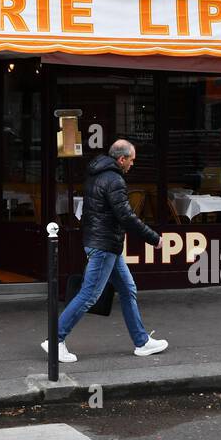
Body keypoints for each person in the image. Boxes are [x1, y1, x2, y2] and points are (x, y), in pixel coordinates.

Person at [41, 139, 170, 363]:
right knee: (89, 294)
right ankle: (55, 339)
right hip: (104, 246)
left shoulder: (96, 173)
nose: (132, 164)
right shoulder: (114, 180)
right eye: (131, 160)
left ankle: (141, 342)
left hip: (104, 243)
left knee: (128, 289)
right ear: (121, 159)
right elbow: (126, 216)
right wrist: (153, 238)